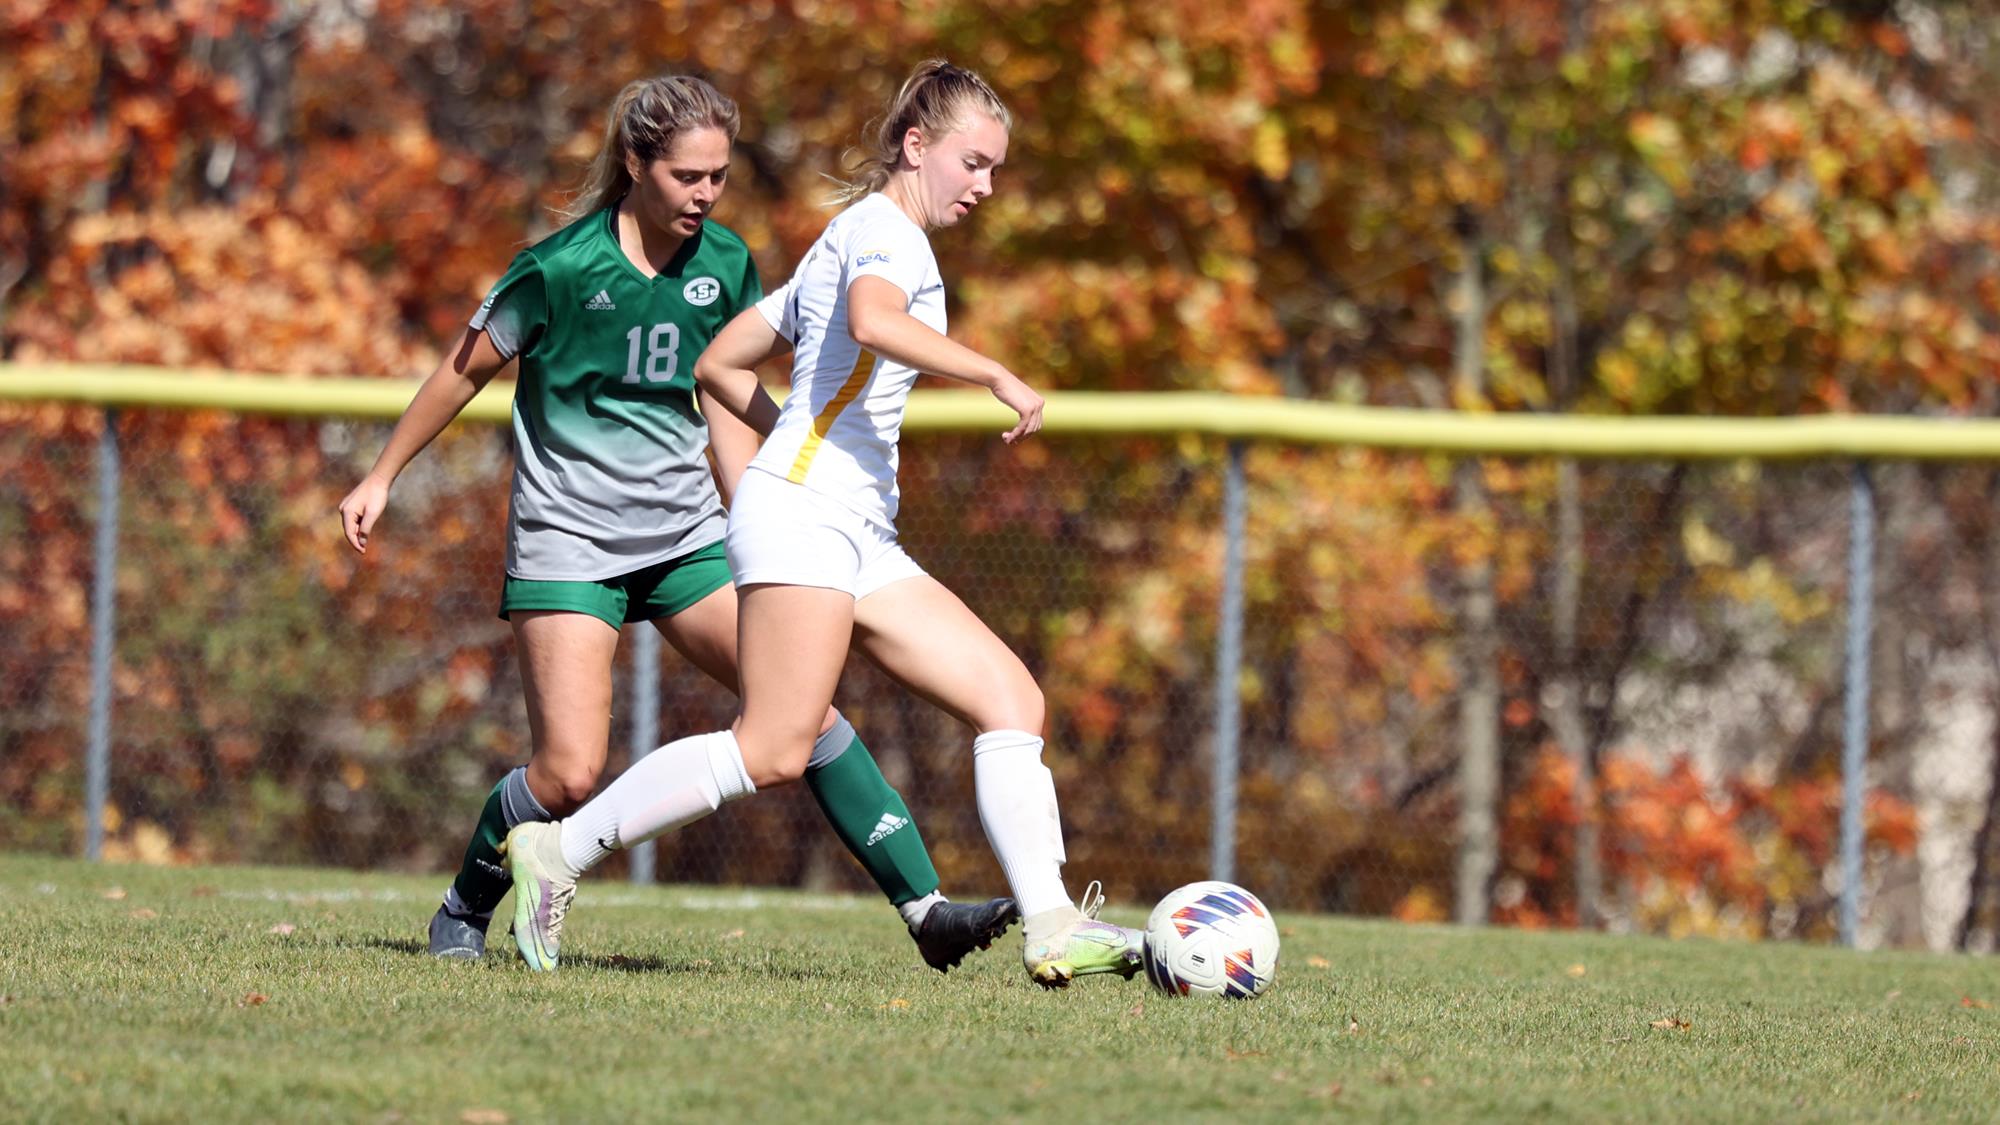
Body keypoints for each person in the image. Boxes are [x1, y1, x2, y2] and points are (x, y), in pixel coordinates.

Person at [336, 74, 1015, 973]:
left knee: (798, 713)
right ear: (635, 164)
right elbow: (463, 372)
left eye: (719, 178)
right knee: (569, 772)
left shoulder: (725, 264)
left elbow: (731, 396)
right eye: (687, 177)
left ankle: (925, 908)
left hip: (687, 538)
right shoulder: (560, 269)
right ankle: (467, 903)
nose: (704, 196)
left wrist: (765, 506)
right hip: (569, 540)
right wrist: (383, 474)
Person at [505, 60, 1144, 989]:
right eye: (974, 163)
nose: (986, 187)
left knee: (1012, 699)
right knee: (773, 746)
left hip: (845, 523)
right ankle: (559, 850)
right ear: (917, 146)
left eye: (996, 170)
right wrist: (991, 372)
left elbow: (722, 365)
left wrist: (786, 448)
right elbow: (873, 322)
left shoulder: (847, 233)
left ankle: (1050, 925)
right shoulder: (888, 239)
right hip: (808, 519)